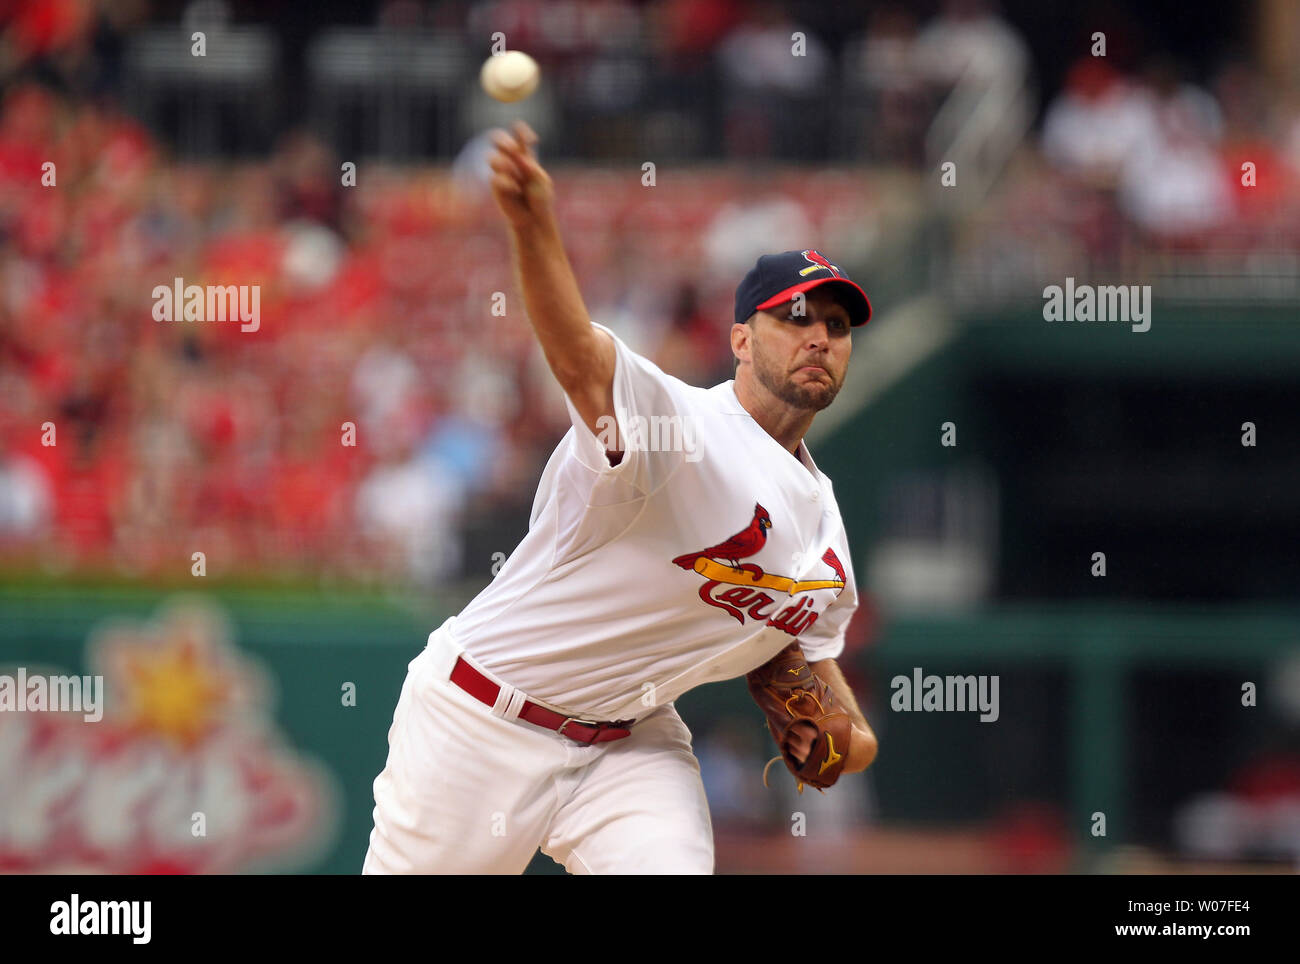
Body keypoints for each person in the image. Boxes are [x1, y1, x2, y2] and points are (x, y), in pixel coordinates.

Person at [362, 120, 879, 874]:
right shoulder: (678, 426)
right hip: (482, 716)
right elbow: (576, 356)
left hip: (629, 742)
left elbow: (803, 651)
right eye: (795, 317)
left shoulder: (824, 520)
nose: (820, 336)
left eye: (837, 325)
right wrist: (534, 225)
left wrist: (849, 739)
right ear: (740, 339)